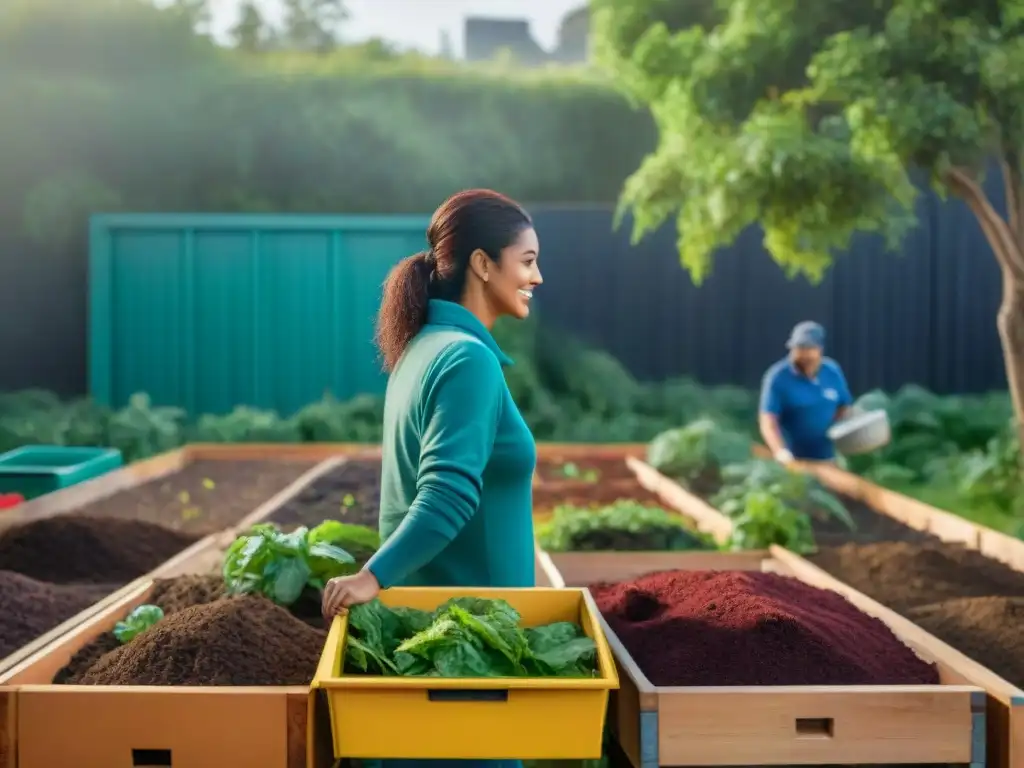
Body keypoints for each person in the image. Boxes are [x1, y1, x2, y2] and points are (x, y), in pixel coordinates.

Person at [321, 189, 542, 768]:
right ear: (482, 263)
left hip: (429, 634)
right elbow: (446, 492)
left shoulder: (421, 347)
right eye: (527, 260)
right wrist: (374, 576)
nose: (537, 276)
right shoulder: (466, 360)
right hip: (468, 643)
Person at [758, 321, 854, 464]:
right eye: (798, 348)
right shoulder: (777, 377)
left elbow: (844, 407)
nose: (802, 354)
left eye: (808, 348)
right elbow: (768, 421)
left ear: (819, 349)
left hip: (828, 459)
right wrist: (780, 451)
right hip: (793, 461)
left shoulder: (832, 372)